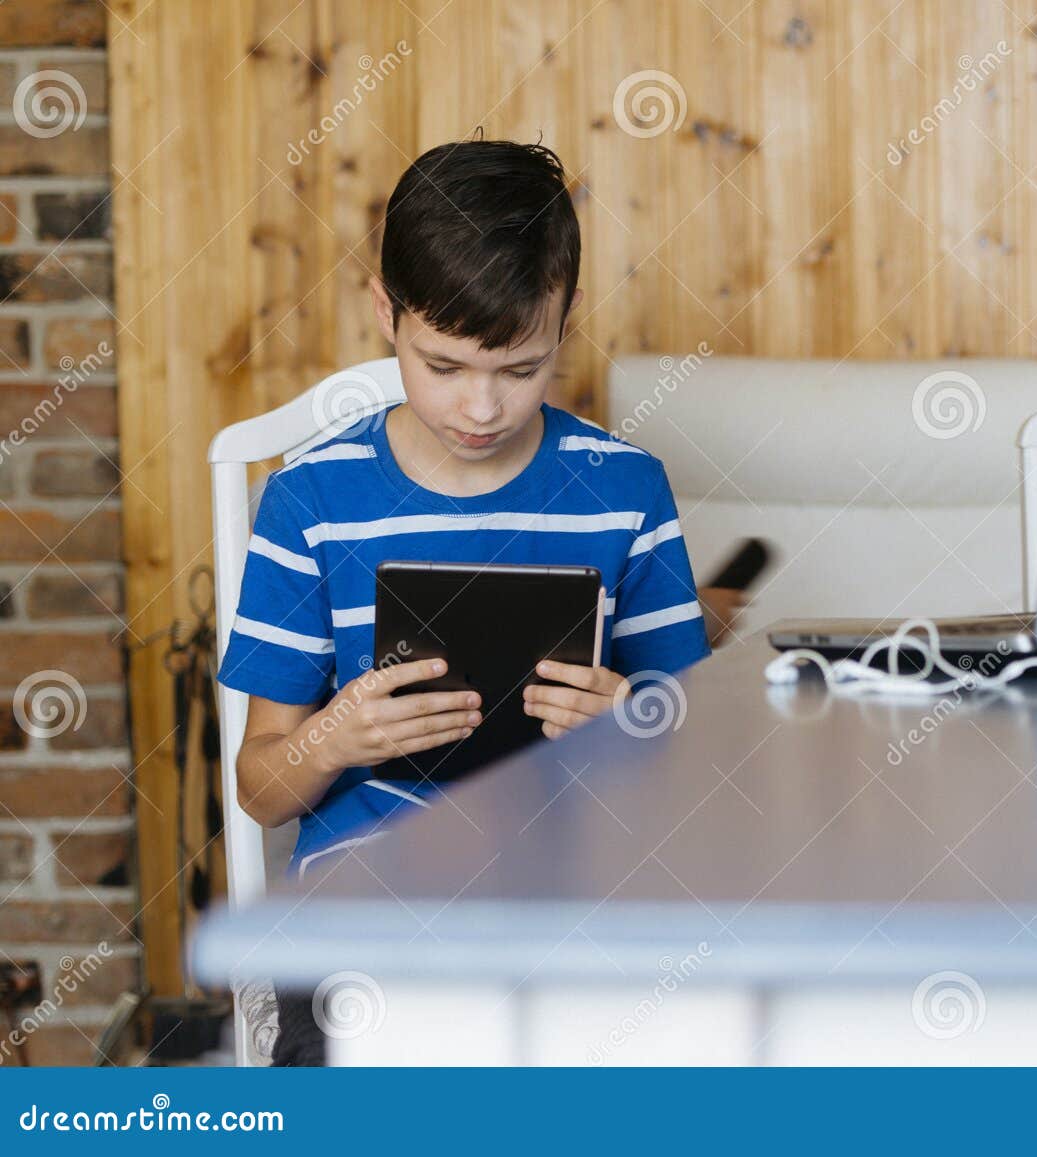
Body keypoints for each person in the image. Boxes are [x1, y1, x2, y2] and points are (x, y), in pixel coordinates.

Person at [217, 139, 711, 880]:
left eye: (521, 368)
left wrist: (632, 723)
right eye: (443, 365)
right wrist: (336, 739)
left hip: (575, 872)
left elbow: (702, 756)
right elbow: (261, 793)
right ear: (386, 311)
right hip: (376, 884)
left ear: (565, 319)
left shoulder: (626, 489)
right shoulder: (309, 502)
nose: (482, 409)